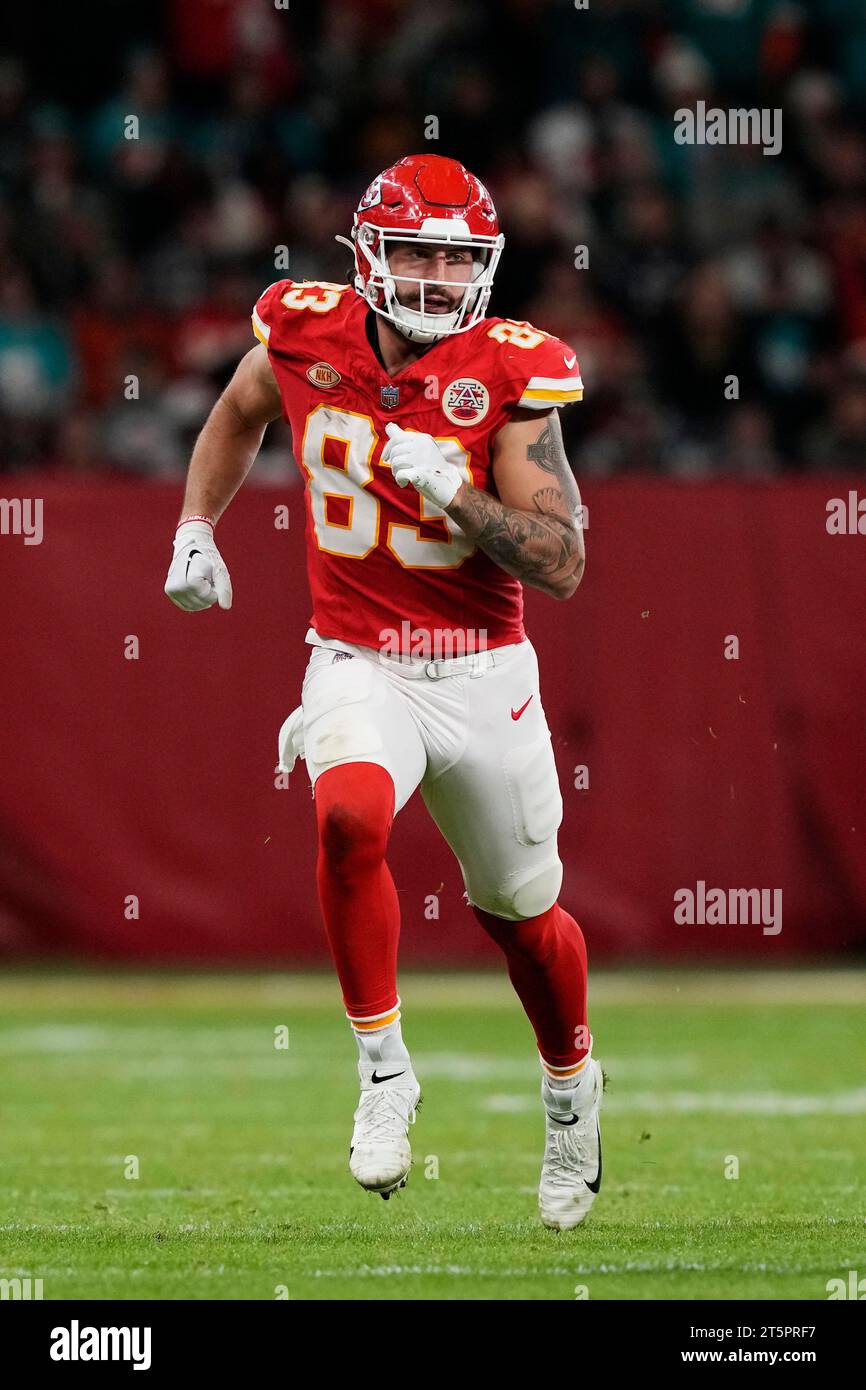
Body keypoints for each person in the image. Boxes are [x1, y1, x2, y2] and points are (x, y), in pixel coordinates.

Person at [164, 154, 602, 1230]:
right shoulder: (305, 329)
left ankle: (569, 1092)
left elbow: (561, 561)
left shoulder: (507, 369)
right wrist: (193, 525)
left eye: (459, 256)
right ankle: (382, 1072)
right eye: (417, 250)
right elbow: (237, 409)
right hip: (356, 654)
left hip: (479, 666)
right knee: (347, 818)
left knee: (523, 920)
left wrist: (459, 492)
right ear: (366, 254)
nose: (440, 274)